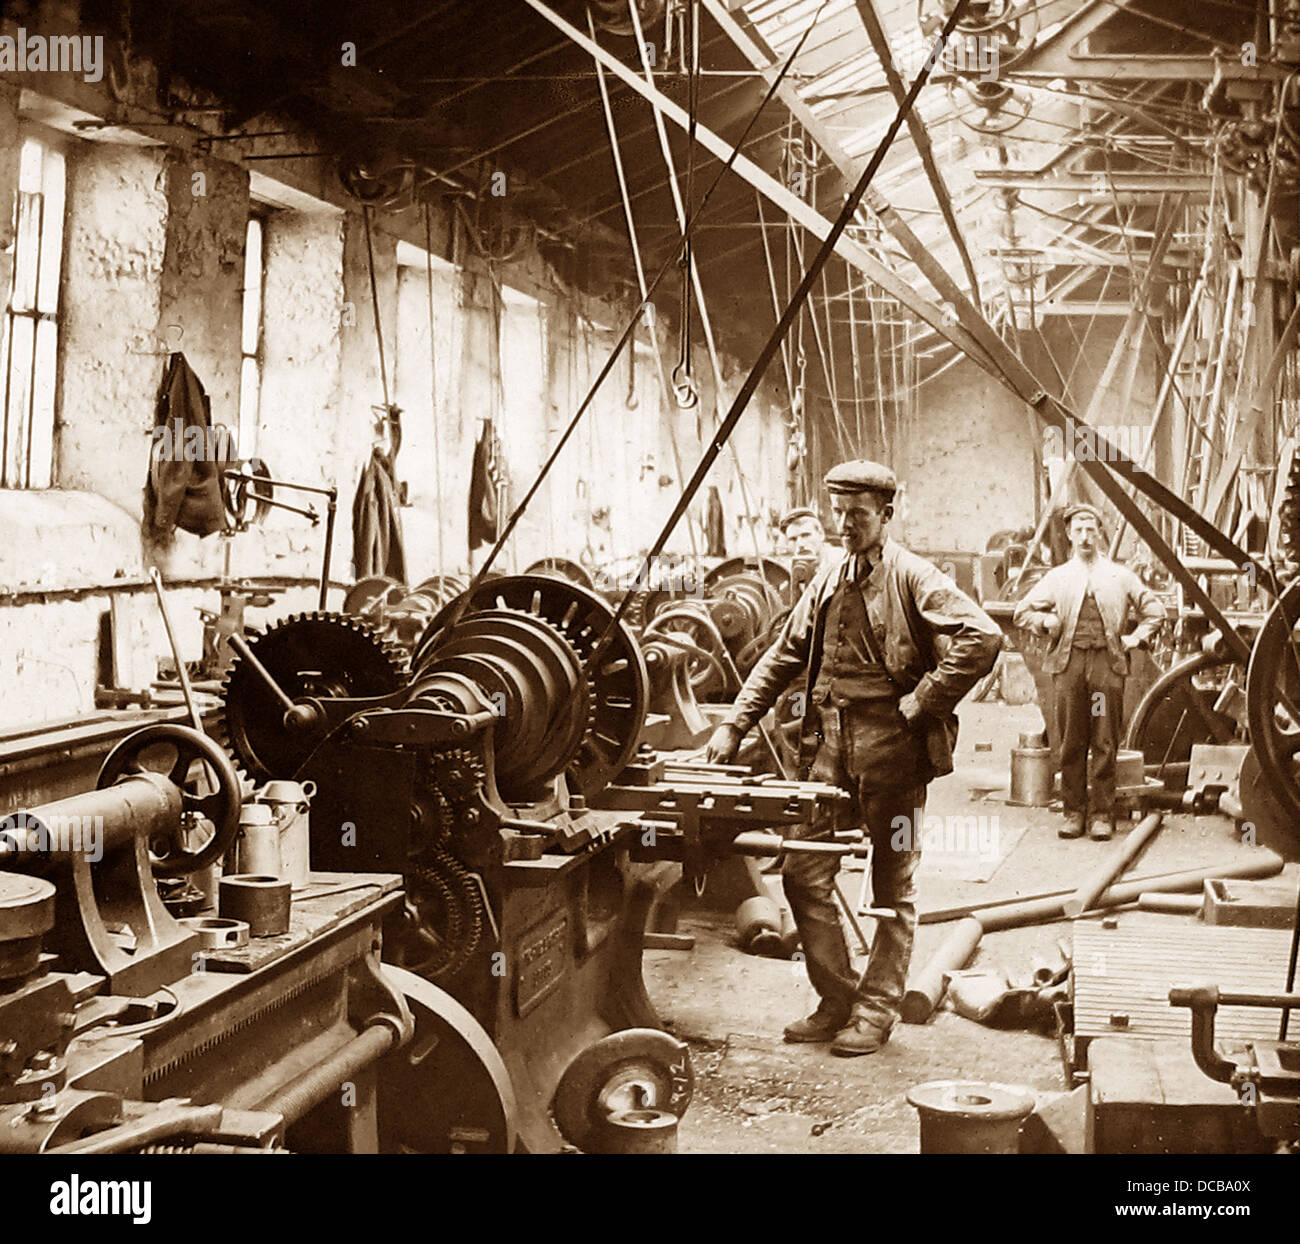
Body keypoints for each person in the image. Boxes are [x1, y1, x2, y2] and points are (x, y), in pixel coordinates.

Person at [707, 461, 1002, 1055]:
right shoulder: (827, 578)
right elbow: (783, 655)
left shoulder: (914, 576)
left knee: (892, 884)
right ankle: (838, 998)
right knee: (801, 873)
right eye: (838, 513)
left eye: (858, 514)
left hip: (895, 751)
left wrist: (925, 699)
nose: (845, 525)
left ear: (886, 515)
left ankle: (876, 1010)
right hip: (825, 748)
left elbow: (984, 636)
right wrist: (735, 724)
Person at [1012, 503, 1165, 840]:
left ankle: (1101, 815)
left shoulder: (1119, 576)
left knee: (1104, 740)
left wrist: (1134, 638)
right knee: (1071, 741)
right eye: (1078, 530)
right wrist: (1045, 621)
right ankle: (1073, 813)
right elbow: (1021, 612)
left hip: (1105, 668)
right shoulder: (1058, 577)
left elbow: (1155, 610)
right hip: (1069, 667)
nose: (1084, 537)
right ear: (1069, 534)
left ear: (1099, 534)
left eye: (1090, 530)